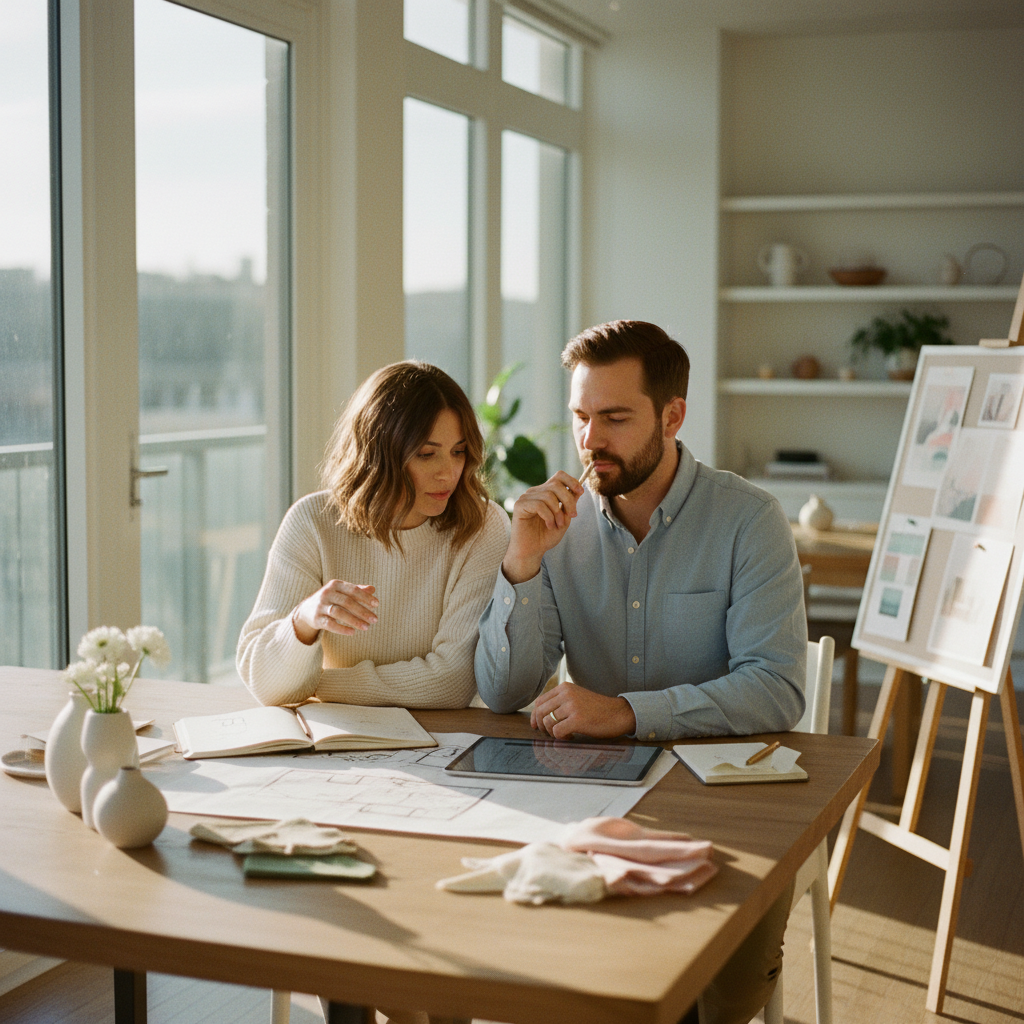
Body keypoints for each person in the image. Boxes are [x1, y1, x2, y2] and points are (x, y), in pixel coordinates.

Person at [474, 320, 807, 1024]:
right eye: (580, 416)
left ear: (672, 416)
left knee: (724, 994)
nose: (590, 439)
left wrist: (626, 712)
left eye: (615, 418)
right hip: (597, 805)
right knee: (529, 957)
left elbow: (776, 689)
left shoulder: (750, 521)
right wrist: (521, 563)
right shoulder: (555, 527)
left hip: (727, 805)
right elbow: (504, 693)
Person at [238, 360, 510, 711]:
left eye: (458, 451)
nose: (448, 472)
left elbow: (450, 683)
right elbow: (262, 680)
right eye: (426, 454)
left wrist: (316, 685)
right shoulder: (312, 522)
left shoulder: (483, 526)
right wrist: (304, 620)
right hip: (342, 734)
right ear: (380, 453)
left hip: (442, 735)